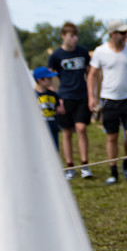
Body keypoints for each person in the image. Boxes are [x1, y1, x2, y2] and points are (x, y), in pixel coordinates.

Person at [88, 22, 127, 185]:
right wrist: (91, 97)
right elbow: (92, 75)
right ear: (112, 34)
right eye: (121, 33)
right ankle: (113, 171)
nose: (125, 36)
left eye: (125, 33)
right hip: (109, 100)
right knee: (112, 137)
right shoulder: (101, 51)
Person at [48, 22, 94, 179]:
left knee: (81, 128)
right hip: (64, 97)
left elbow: (90, 74)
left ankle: (85, 166)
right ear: (63, 36)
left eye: (76, 35)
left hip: (82, 96)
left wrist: (92, 94)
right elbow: (52, 78)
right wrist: (57, 98)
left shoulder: (82, 52)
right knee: (66, 132)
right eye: (71, 36)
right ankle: (70, 167)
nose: (75, 39)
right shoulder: (56, 56)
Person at [33, 66, 60, 153]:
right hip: (39, 129)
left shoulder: (54, 94)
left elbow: (58, 108)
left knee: (54, 151)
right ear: (40, 80)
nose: (51, 80)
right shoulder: (32, 96)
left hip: (53, 128)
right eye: (48, 78)